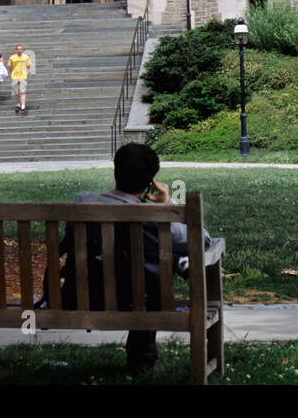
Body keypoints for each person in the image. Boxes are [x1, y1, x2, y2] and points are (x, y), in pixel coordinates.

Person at [38, 143, 211, 373]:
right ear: (150, 181)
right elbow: (202, 240)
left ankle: (141, 356)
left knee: (137, 266)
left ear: (116, 171)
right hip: (135, 301)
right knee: (153, 272)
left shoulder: (82, 203)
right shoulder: (150, 220)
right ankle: (142, 357)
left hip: (82, 296)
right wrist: (166, 205)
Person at [7, 44, 33, 114]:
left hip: (23, 76)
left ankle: (23, 106)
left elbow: (28, 66)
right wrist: (12, 72)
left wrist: (26, 73)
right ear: (16, 50)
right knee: (16, 92)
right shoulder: (12, 58)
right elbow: (9, 66)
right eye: (18, 49)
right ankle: (18, 104)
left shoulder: (26, 57)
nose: (20, 50)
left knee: (23, 92)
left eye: (21, 49)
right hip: (15, 76)